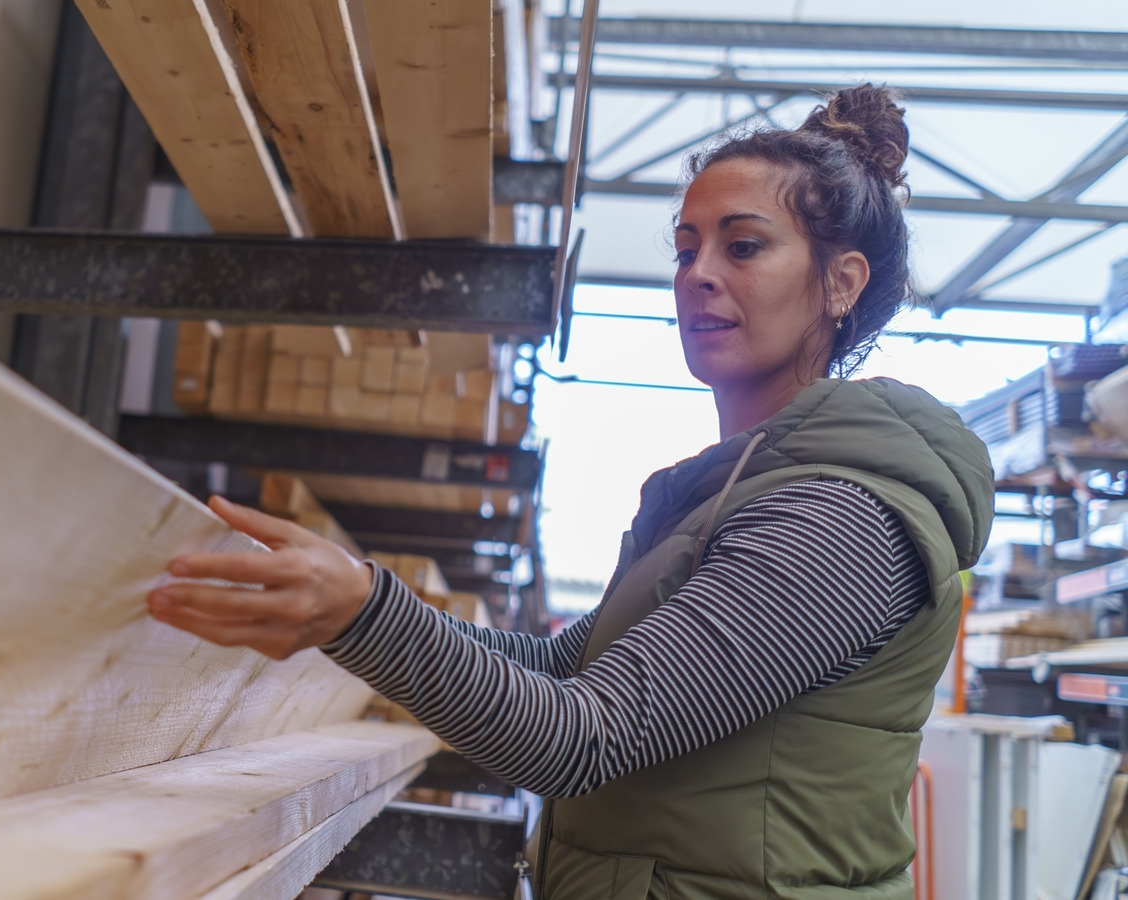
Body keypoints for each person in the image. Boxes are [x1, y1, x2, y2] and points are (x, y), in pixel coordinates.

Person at [146, 84, 994, 900]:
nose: (696, 273)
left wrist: (362, 614)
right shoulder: (733, 492)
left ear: (841, 283)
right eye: (686, 246)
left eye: (742, 246)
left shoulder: (839, 519)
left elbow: (581, 739)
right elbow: (559, 666)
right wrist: (358, 606)